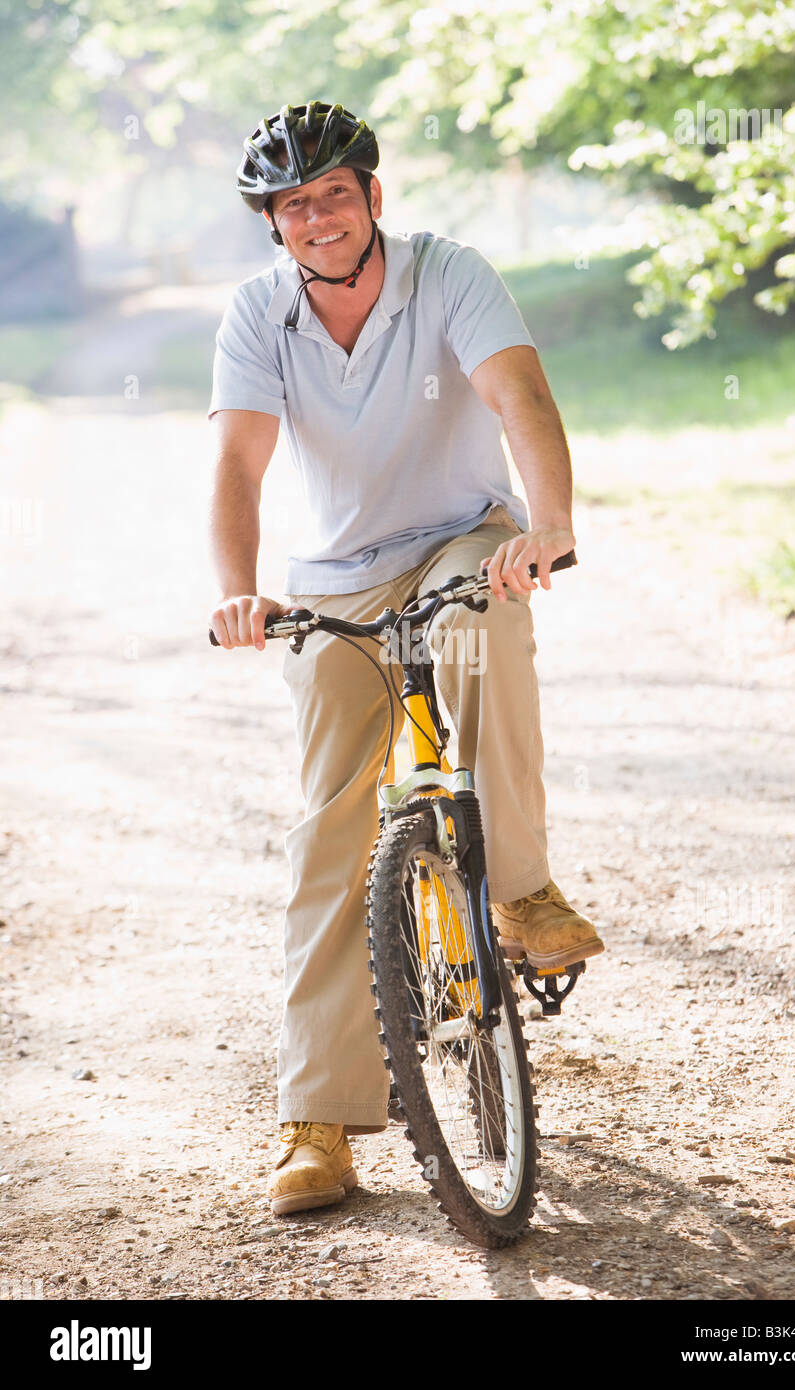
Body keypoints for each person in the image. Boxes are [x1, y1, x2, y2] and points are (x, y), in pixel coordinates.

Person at [207, 101, 605, 1217]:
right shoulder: (258, 315)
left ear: (372, 199)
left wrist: (548, 526)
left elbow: (518, 395)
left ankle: (518, 890)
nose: (317, 218)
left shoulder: (449, 274)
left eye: (335, 195)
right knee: (328, 826)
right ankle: (316, 1122)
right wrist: (239, 589)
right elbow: (237, 470)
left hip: (459, 536)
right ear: (276, 228)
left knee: (478, 627)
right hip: (336, 574)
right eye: (294, 207)